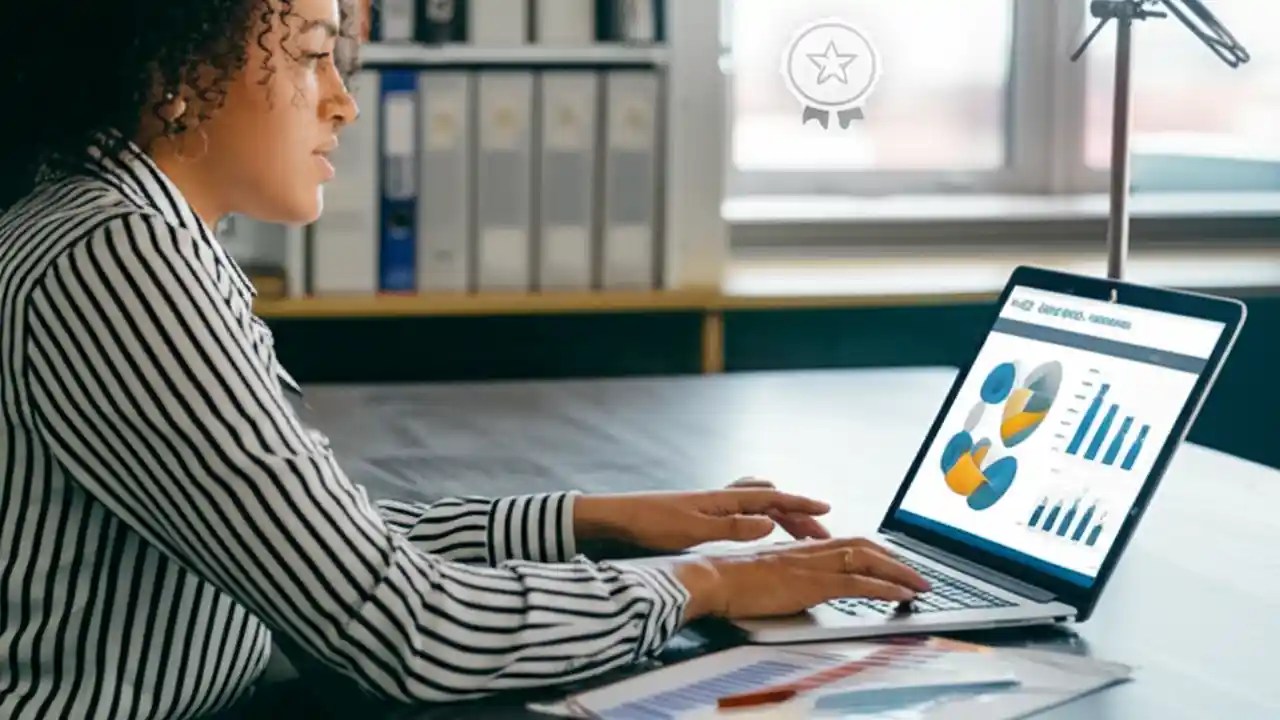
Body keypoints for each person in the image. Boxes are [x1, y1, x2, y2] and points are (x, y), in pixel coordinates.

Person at [0, 1, 929, 718]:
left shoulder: (125, 232)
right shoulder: (116, 260)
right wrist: (709, 584)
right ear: (177, 67)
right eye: (316, 52)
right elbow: (406, 630)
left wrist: (596, 521)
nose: (345, 100)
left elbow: (318, 545)